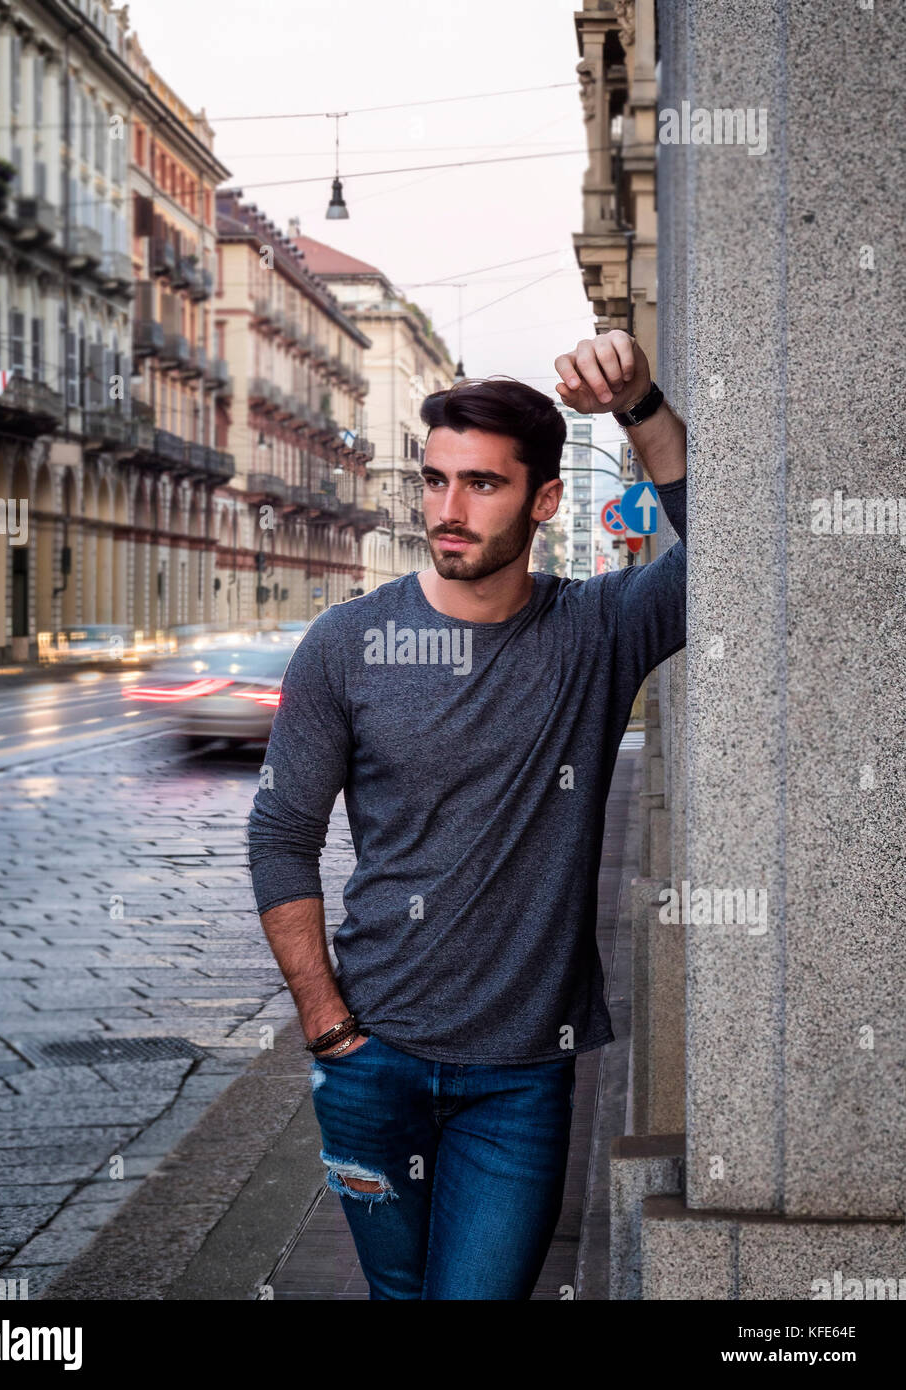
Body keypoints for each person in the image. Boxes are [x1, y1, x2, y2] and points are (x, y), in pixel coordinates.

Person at [247, 329, 687, 1299]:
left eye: (482, 484)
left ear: (544, 501)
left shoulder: (597, 630)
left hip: (521, 1078)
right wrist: (325, 1022)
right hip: (370, 1062)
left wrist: (641, 408)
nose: (447, 510)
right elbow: (281, 831)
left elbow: (733, 554)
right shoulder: (348, 642)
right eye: (436, 479)